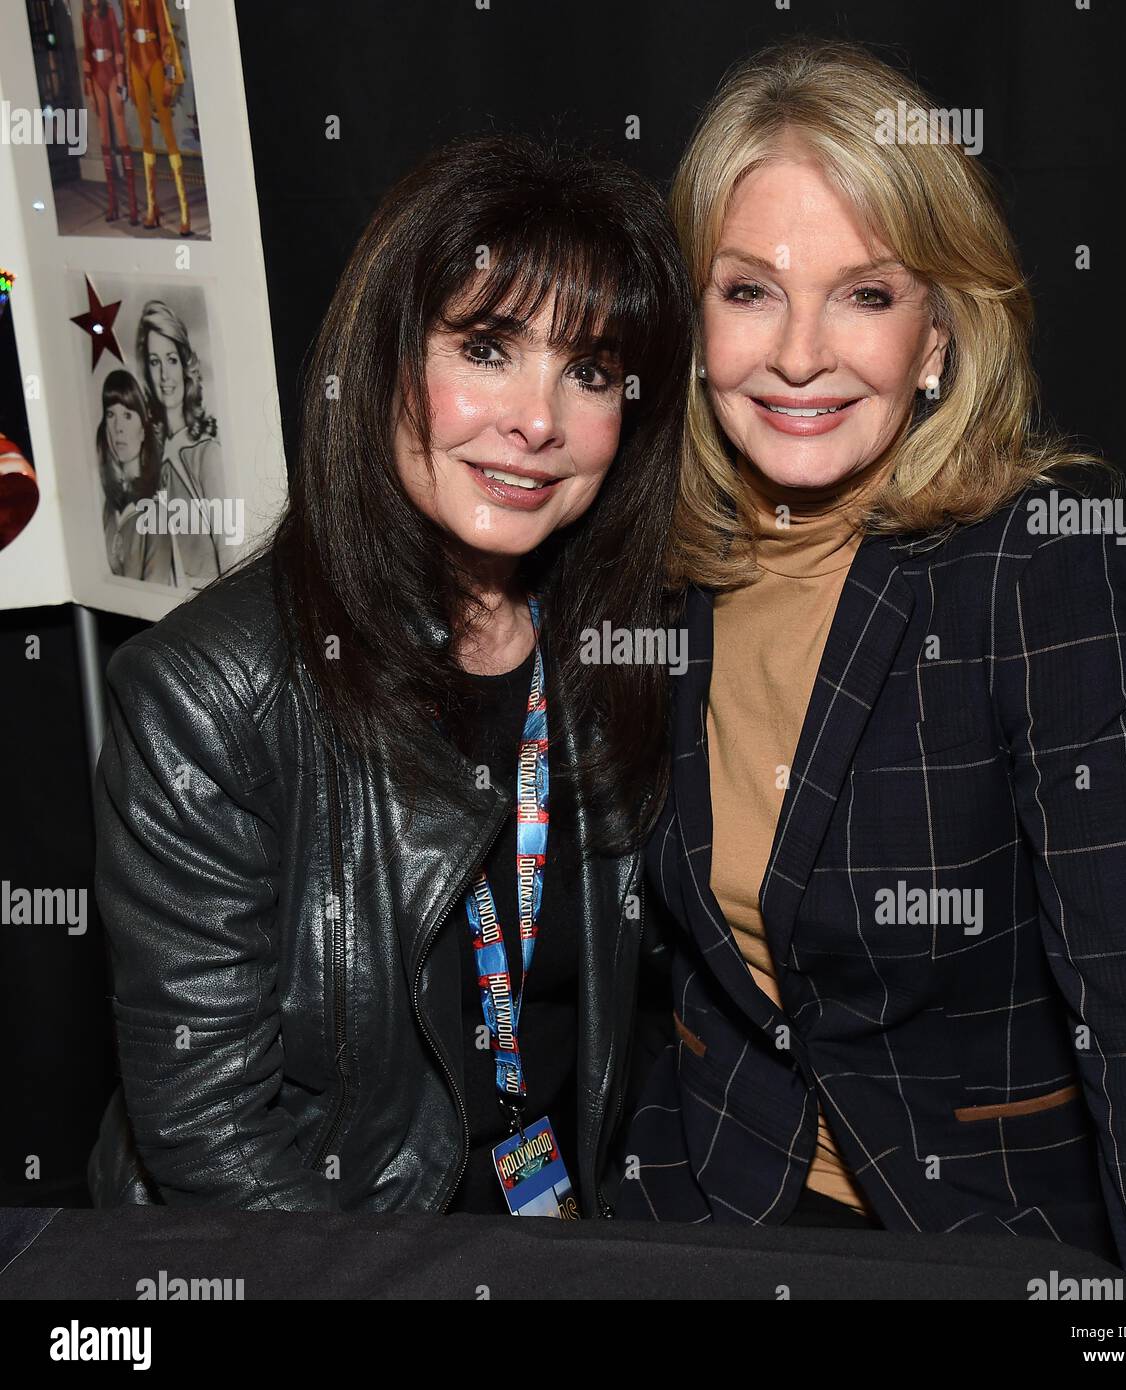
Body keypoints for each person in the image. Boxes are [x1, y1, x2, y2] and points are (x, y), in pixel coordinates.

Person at [616, 37, 1126, 1299]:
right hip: (701, 1195)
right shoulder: (648, 555)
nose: (798, 354)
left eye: (864, 294)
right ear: (691, 322)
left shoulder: (1030, 565)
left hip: (973, 1227)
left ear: (936, 338)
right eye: (749, 290)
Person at [87, 131, 692, 1217]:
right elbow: (212, 1142)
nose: (538, 422)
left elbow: (642, 1040)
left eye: (589, 370)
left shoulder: (618, 656)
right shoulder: (208, 694)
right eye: (487, 347)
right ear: (381, 357)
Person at [136, 298, 223, 584]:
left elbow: (229, 555)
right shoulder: (149, 456)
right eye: (154, 361)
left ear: (185, 365)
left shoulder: (207, 454)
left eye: (171, 360)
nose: (164, 375)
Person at [96, 367, 173, 582]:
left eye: (127, 415)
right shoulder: (109, 508)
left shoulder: (155, 513)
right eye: (111, 414)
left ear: (143, 430)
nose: (118, 427)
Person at [123, 0, 190, 233]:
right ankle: (152, 209)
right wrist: (130, 79)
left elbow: (166, 35)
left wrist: (170, 77)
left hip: (155, 61)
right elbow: (128, 38)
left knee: (168, 133)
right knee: (145, 135)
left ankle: (184, 211)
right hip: (136, 64)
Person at [81, 0, 139, 225]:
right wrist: (89, 89)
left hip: (112, 74)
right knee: (104, 135)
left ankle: (133, 206)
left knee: (121, 131)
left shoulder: (110, 13)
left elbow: (117, 45)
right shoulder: (85, 16)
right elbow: (86, 51)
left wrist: (122, 78)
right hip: (96, 76)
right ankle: (112, 204)